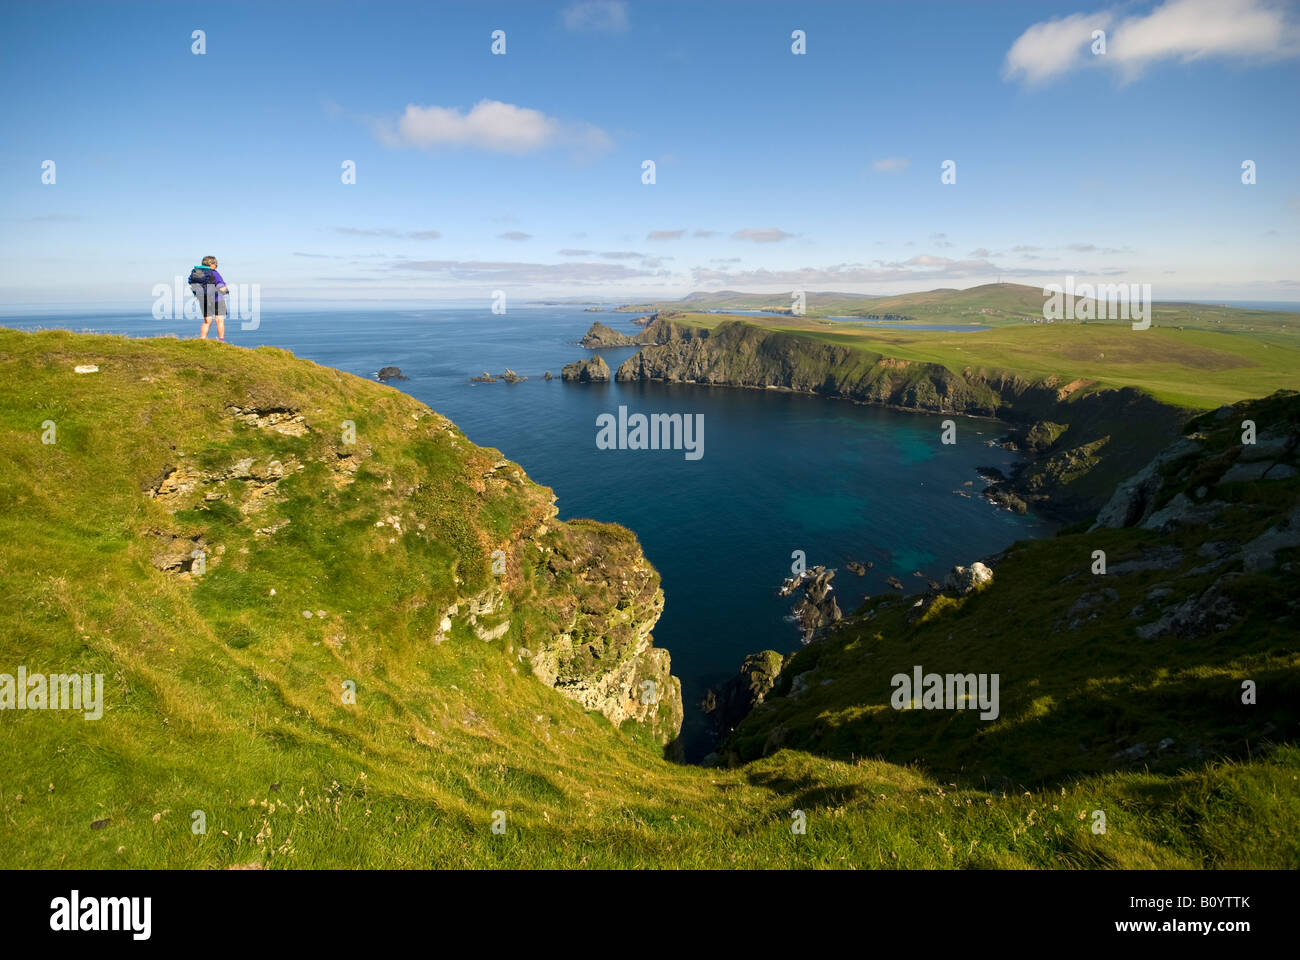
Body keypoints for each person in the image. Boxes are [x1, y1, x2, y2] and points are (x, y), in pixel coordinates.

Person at [188, 256, 230, 341]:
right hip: (217, 299)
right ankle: (221, 341)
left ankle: (202, 339)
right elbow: (221, 286)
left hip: (203, 299)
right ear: (211, 264)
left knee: (207, 321)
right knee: (219, 320)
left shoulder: (195, 273)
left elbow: (190, 283)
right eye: (215, 263)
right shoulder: (214, 273)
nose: (217, 265)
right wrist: (226, 291)